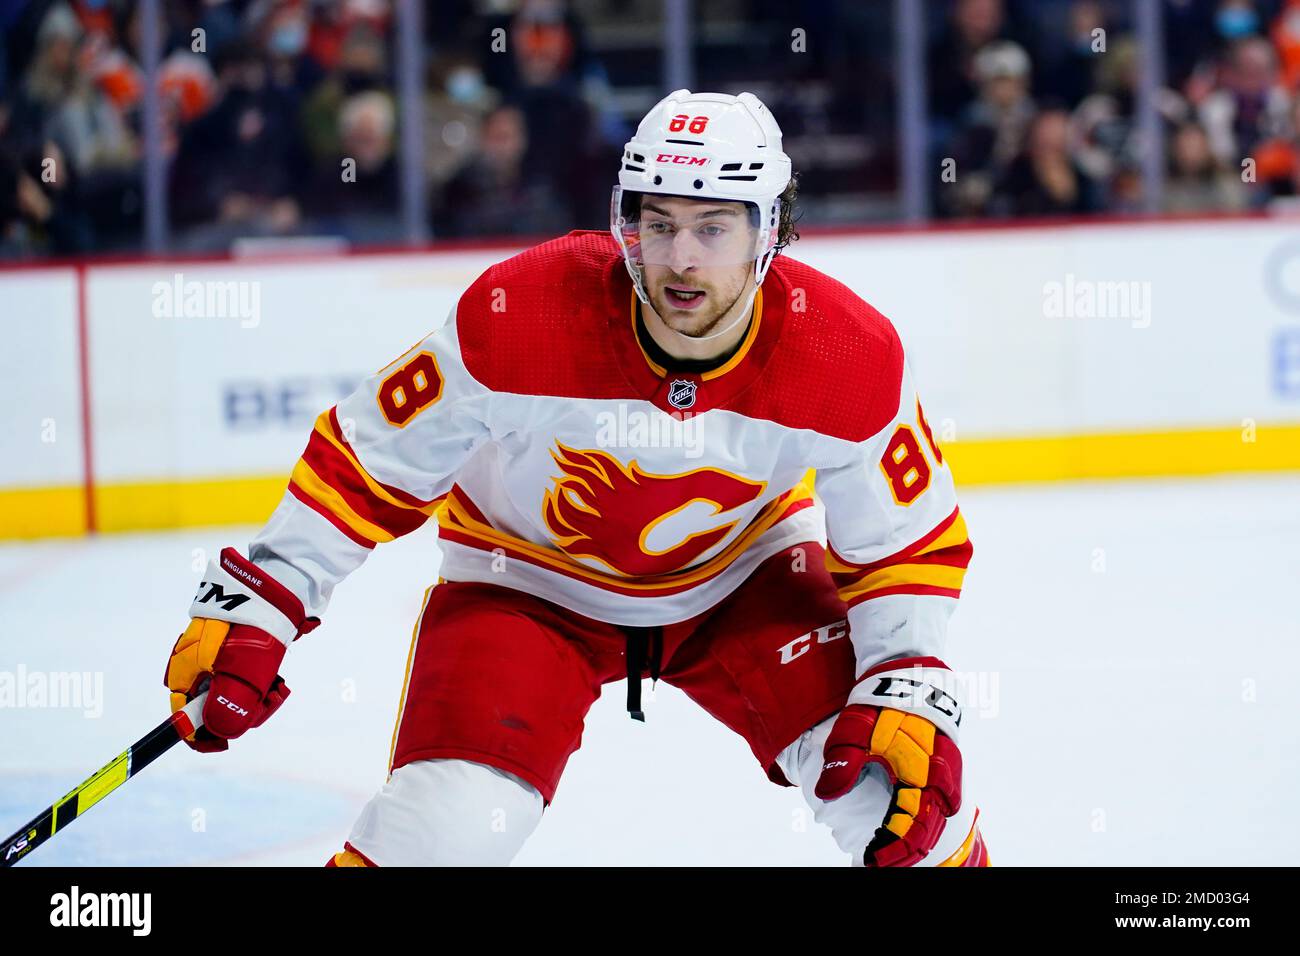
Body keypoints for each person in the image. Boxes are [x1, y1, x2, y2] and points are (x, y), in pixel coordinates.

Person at [162, 90, 989, 868]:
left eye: (713, 228)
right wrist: (267, 597)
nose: (679, 260)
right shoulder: (517, 314)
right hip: (525, 585)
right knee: (443, 832)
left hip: (745, 582)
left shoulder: (846, 355)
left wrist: (904, 675)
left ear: (770, 230)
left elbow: (905, 542)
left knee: (904, 799)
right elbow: (367, 462)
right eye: (657, 224)